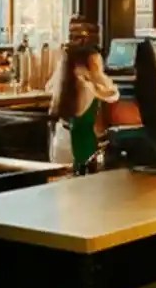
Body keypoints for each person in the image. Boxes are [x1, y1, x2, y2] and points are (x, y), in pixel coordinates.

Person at [47, 16, 119, 172]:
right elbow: (113, 94)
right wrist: (96, 77)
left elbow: (48, 87)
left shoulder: (66, 66)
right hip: (78, 145)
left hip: (61, 140)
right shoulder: (87, 82)